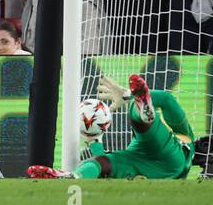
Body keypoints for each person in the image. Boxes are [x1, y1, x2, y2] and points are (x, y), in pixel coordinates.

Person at [27, 75, 196, 180]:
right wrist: (95, 141)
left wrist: (128, 96)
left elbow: (166, 99)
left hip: (156, 160)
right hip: (161, 165)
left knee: (142, 127)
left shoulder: (185, 137)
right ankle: (73, 177)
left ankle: (143, 107)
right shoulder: (184, 138)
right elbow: (166, 99)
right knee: (103, 162)